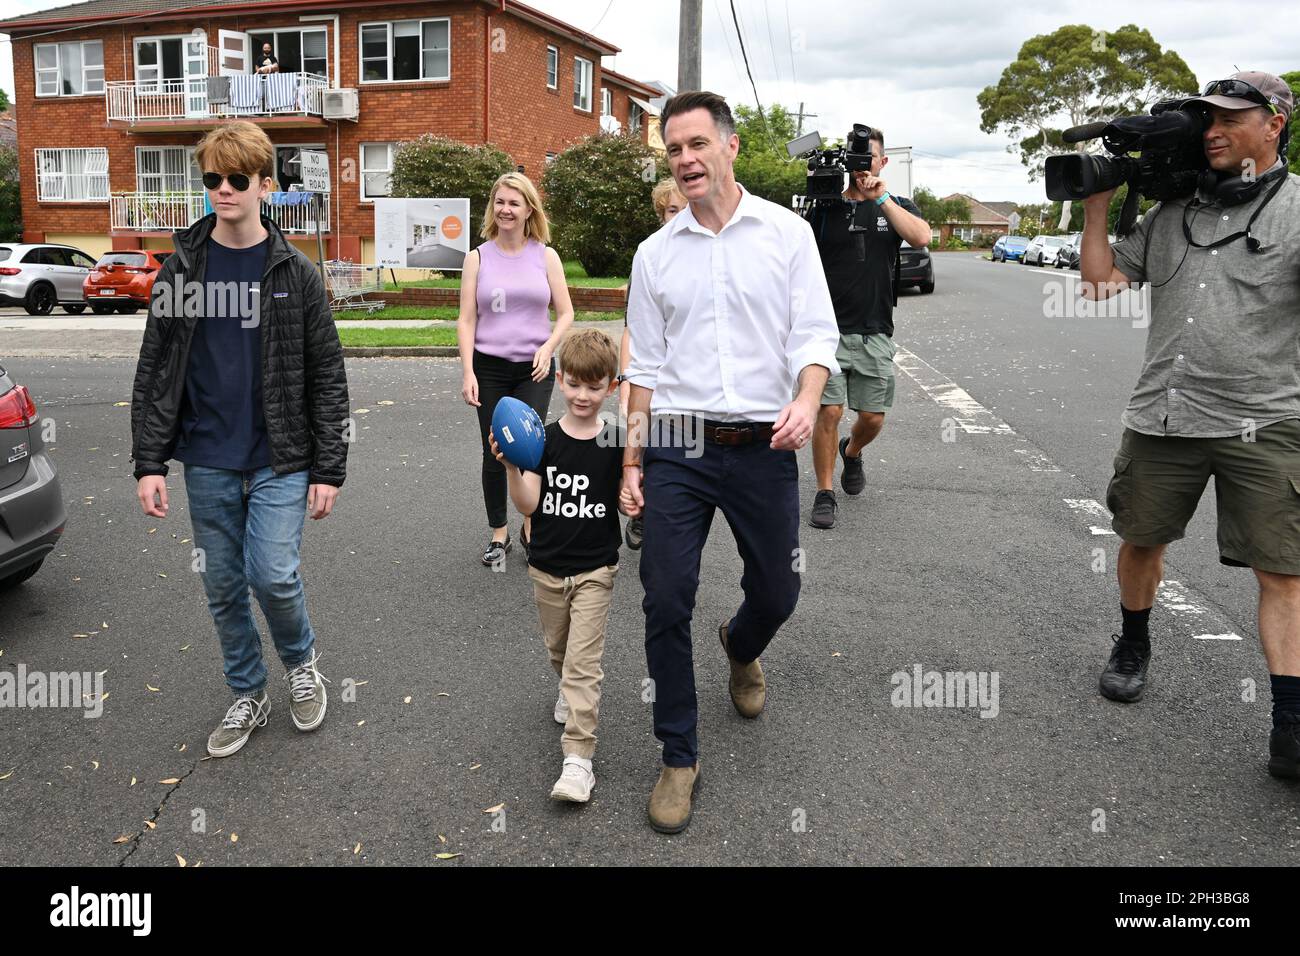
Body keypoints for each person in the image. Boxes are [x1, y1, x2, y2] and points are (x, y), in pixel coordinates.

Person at [621, 91, 840, 833]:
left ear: (730, 147)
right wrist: (630, 462)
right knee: (663, 597)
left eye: (695, 144)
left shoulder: (786, 234)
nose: (684, 160)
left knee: (778, 592)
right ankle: (678, 756)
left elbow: (815, 335)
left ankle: (741, 646)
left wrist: (808, 401)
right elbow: (643, 366)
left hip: (763, 443)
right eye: (672, 149)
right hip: (677, 442)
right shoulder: (654, 256)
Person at [1080, 71, 1300, 780]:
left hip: (1266, 421)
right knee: (1140, 541)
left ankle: (1291, 721)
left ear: (1275, 125)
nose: (1213, 128)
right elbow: (1099, 282)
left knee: (1285, 574)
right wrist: (1096, 208)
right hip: (1164, 415)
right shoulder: (1172, 213)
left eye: (1231, 117)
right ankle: (1133, 643)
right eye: (1207, 117)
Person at [131, 120, 349, 758]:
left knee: (272, 574)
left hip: (282, 456)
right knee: (223, 584)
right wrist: (149, 462)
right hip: (208, 460)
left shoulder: (295, 272)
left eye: (235, 179)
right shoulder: (181, 271)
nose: (222, 190)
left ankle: (302, 663)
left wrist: (328, 468)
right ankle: (246, 692)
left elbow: (327, 377)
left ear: (264, 185)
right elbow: (155, 371)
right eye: (211, 180)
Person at [492, 329, 624, 803]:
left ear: (612, 386)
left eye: (595, 386)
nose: (583, 395)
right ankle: (568, 689)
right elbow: (529, 505)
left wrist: (633, 498)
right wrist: (511, 466)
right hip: (547, 568)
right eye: (574, 384)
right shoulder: (541, 441)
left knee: (583, 665)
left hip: (595, 571)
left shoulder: (616, 441)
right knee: (560, 653)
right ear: (561, 380)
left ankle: (578, 761)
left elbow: (626, 501)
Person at [806, 127, 931, 529]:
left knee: (873, 417)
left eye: (869, 159)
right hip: (828, 331)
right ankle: (825, 492)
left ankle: (853, 451)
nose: (862, 167)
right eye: (856, 160)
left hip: (875, 329)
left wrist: (880, 197)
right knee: (829, 410)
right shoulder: (825, 206)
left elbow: (921, 237)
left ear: (882, 162)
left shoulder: (895, 204)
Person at [459, 172, 575, 567]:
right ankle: (498, 534)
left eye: (514, 203)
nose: (506, 209)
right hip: (488, 368)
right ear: (493, 207)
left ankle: (531, 527)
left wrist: (548, 347)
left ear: (529, 209)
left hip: (534, 369)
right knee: (493, 451)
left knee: (528, 448)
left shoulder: (545, 255)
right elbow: (466, 320)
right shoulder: (476, 257)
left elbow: (566, 313)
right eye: (500, 202)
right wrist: (468, 371)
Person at [618, 177, 686, 551]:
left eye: (684, 209)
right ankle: (641, 512)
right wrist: (626, 380)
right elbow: (633, 330)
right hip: (649, 375)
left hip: (684, 384)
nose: (678, 217)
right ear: (662, 215)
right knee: (642, 443)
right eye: (672, 210)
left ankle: (663, 515)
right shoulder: (649, 256)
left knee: (674, 452)